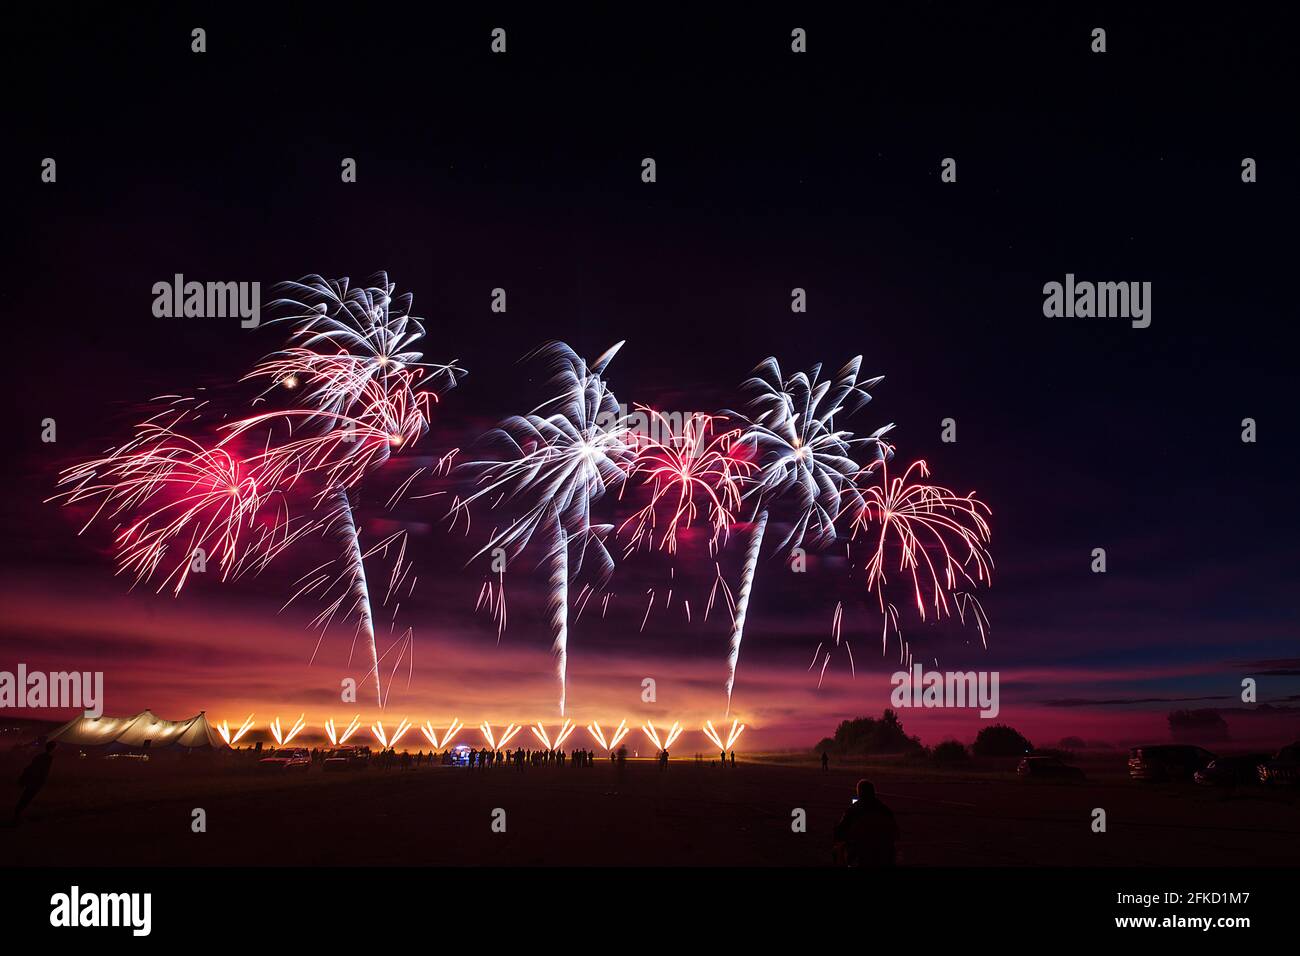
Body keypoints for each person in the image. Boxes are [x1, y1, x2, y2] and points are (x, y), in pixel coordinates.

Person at [833, 780, 899, 867]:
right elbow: (895, 833)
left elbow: (839, 833)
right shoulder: (884, 809)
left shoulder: (854, 809)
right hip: (885, 855)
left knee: (838, 851)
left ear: (859, 793)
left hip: (862, 856)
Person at [14, 741, 56, 823]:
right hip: (37, 780)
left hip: (33, 778)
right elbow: (44, 771)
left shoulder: (39, 756)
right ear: (53, 748)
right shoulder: (48, 758)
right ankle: (18, 813)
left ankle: (18, 812)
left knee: (26, 795)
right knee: (28, 796)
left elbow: (32, 765)